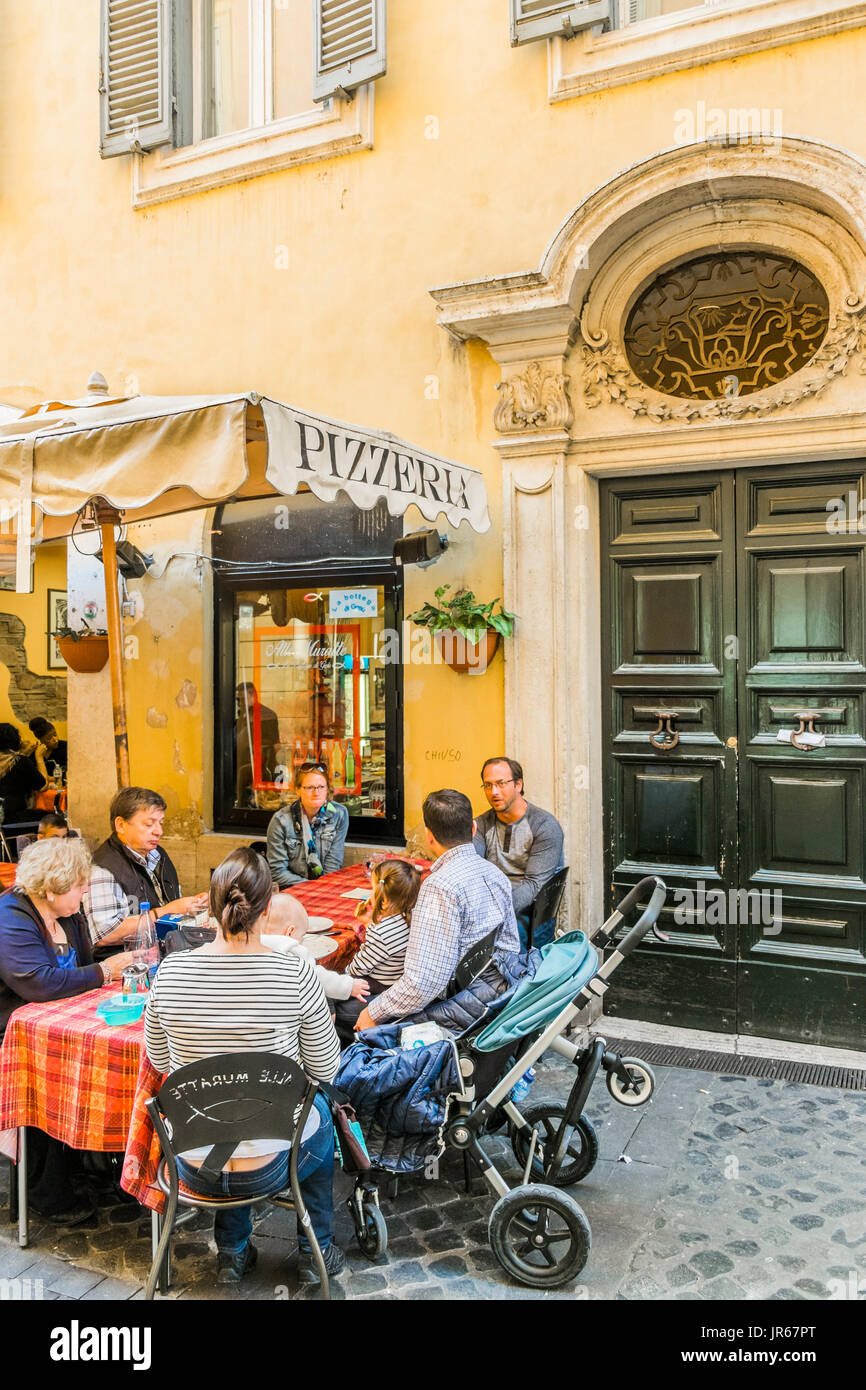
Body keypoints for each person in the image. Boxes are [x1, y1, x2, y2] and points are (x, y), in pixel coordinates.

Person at [144, 847, 344, 1287]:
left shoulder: (171, 972)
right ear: (269, 907)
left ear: (211, 908)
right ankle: (316, 1251)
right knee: (322, 1115)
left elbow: (159, 1063)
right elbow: (326, 1068)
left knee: (224, 1121)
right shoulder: (295, 972)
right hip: (272, 1163)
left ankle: (232, 1254)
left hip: (191, 1164)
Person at [0, 838, 133, 1223]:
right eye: (79, 884)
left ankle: (97, 1165)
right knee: (49, 1077)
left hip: (59, 1021)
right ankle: (45, 1191)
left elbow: (79, 971)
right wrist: (107, 971)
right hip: (13, 1030)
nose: (86, 890)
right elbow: (39, 983)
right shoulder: (11, 917)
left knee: (102, 1064)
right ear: (50, 887)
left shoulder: (69, 914)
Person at [354, 790, 522, 1030]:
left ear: (429, 836)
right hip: (493, 997)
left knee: (343, 1005)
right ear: (473, 829)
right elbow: (510, 947)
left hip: (454, 1009)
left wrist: (374, 1013)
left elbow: (424, 983)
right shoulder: (495, 874)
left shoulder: (439, 887)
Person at [83, 787, 208, 957]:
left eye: (161, 823)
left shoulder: (158, 855)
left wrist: (192, 906)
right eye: (149, 824)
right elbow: (106, 935)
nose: (159, 831)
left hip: (166, 952)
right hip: (128, 963)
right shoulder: (102, 869)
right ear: (121, 825)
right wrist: (168, 911)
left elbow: (172, 904)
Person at [473, 756, 564, 948]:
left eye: (500, 784)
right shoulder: (481, 824)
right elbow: (472, 869)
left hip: (530, 911)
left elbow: (534, 886)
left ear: (518, 784)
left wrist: (494, 914)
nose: (494, 792)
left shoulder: (544, 826)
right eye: (487, 785)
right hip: (490, 904)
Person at [334, 859, 419, 1044]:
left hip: (380, 990)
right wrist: (368, 923)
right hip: (394, 982)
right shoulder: (409, 917)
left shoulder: (382, 931)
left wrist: (340, 976)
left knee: (331, 1001)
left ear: (384, 897)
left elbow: (356, 970)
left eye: (372, 889)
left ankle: (346, 1043)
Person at [262, 892, 369, 1011]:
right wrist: (348, 986)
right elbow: (317, 977)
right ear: (289, 932)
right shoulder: (293, 949)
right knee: (325, 1003)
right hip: (289, 1009)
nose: (302, 940)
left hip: (263, 1008)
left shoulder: (253, 943)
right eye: (302, 935)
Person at [266, 762, 349, 889]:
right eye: (310, 787)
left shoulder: (339, 814)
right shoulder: (281, 820)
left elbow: (333, 865)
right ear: (298, 790)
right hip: (292, 890)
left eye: (321, 787)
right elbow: (277, 872)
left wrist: (322, 888)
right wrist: (311, 886)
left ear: (327, 789)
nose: (316, 793)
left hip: (327, 887)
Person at [236, 682, 280, 804]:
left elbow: (276, 746)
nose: (240, 703)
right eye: (238, 700)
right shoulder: (242, 715)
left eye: (242, 699)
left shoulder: (267, 715)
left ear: (253, 696)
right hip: (243, 762)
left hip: (261, 765)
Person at [0, 722, 46, 834]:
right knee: (52, 819)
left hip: (3, 821)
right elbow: (42, 786)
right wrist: (39, 757)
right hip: (11, 821)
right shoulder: (20, 761)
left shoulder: (20, 760)